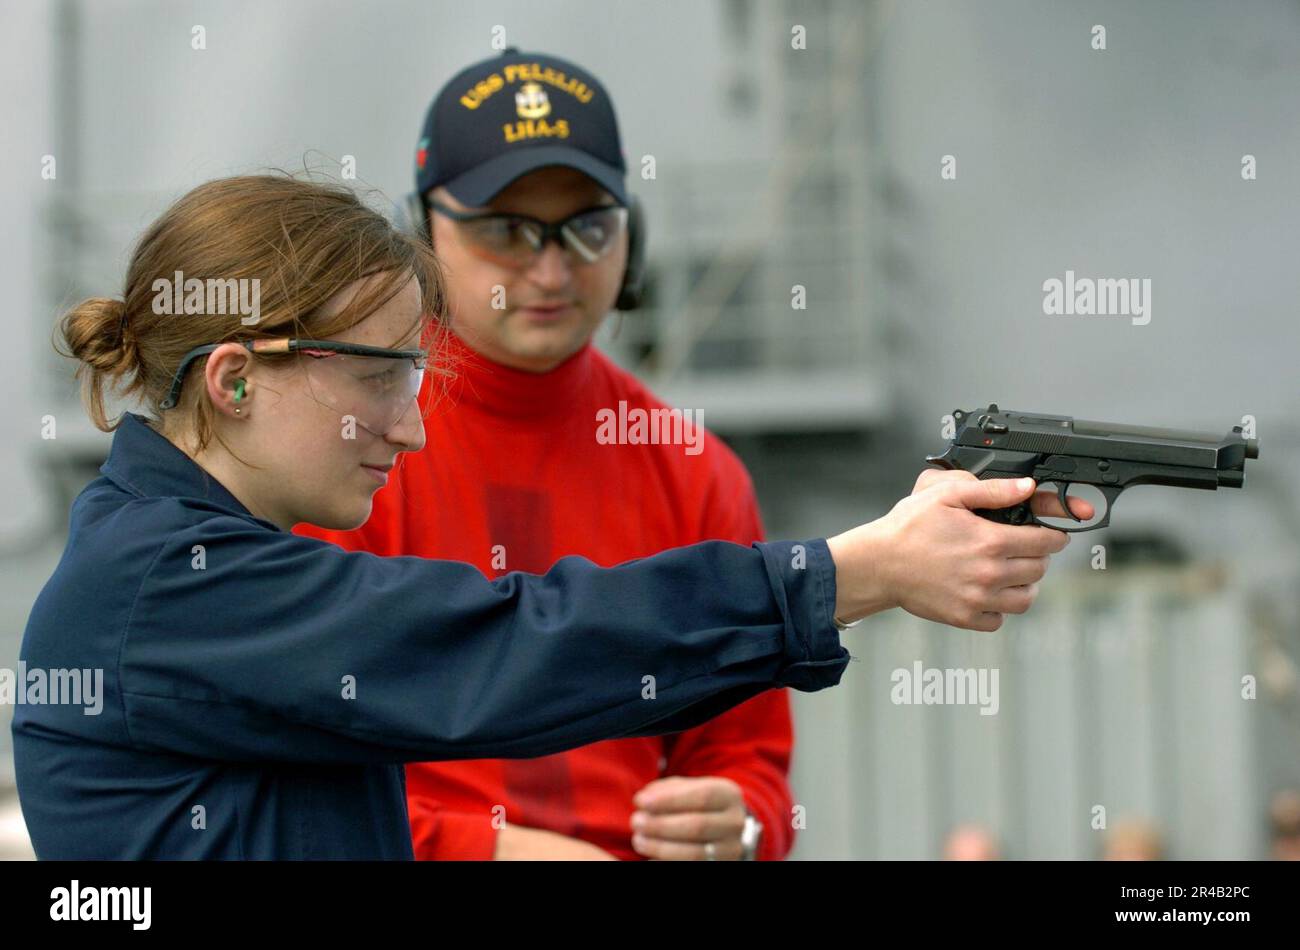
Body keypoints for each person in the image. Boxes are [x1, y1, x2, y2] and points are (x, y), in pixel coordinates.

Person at [14, 174, 1082, 860]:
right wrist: (858, 571)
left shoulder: (169, 561)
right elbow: (509, 646)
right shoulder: (177, 582)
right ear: (238, 380)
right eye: (384, 378)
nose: (413, 428)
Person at [295, 48, 797, 862]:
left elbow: (747, 759)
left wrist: (737, 825)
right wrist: (488, 853)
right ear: (423, 235)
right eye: (506, 230)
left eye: (589, 228)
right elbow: (290, 765)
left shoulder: (694, 467)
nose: (553, 268)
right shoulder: (339, 448)